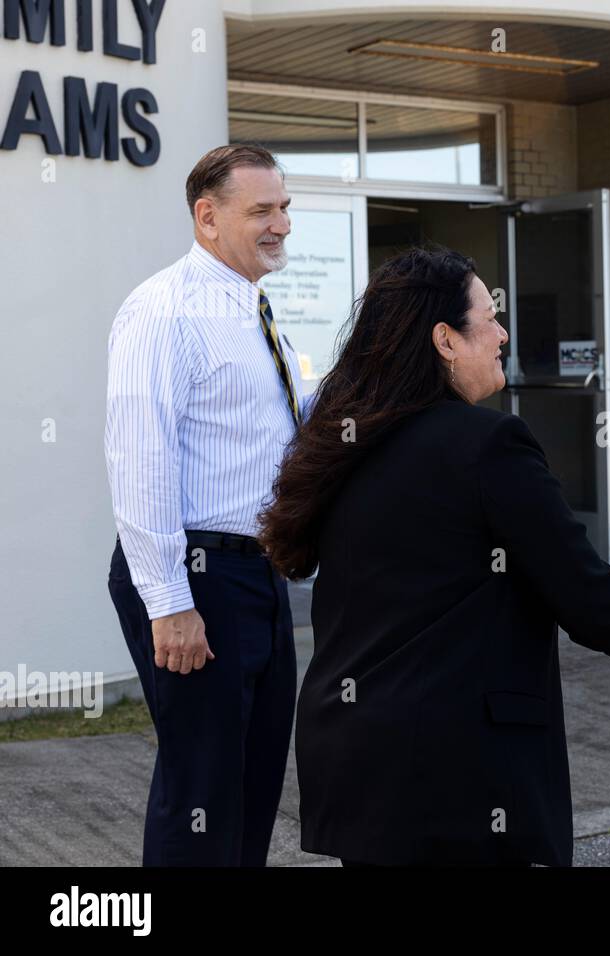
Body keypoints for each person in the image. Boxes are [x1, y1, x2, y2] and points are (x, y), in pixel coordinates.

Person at [257, 246, 610, 868]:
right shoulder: (489, 445)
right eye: (489, 318)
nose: (502, 334)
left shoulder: (345, 441)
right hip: (456, 780)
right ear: (445, 339)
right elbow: (596, 605)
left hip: (357, 762)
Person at [104, 144, 304, 866]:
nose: (281, 224)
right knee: (202, 788)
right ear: (207, 216)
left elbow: (287, 418)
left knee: (252, 783)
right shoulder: (165, 310)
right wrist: (170, 603)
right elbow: (140, 461)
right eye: (262, 211)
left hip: (256, 576)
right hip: (195, 579)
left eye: (285, 207)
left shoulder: (252, 305)